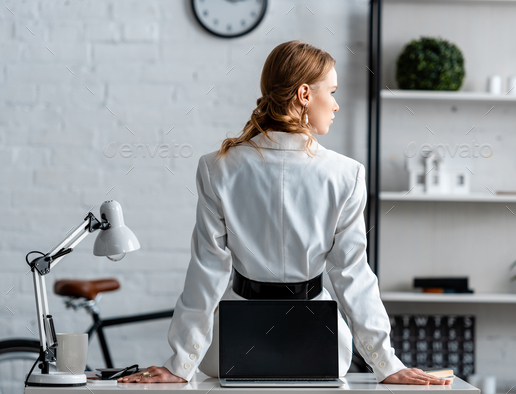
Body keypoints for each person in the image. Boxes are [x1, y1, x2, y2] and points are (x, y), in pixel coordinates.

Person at [119, 40, 450, 386]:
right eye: (332, 91)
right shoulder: (346, 174)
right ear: (305, 94)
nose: (336, 105)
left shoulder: (217, 167)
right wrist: (387, 363)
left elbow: (207, 270)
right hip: (322, 348)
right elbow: (351, 273)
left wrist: (180, 364)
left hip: (230, 349)